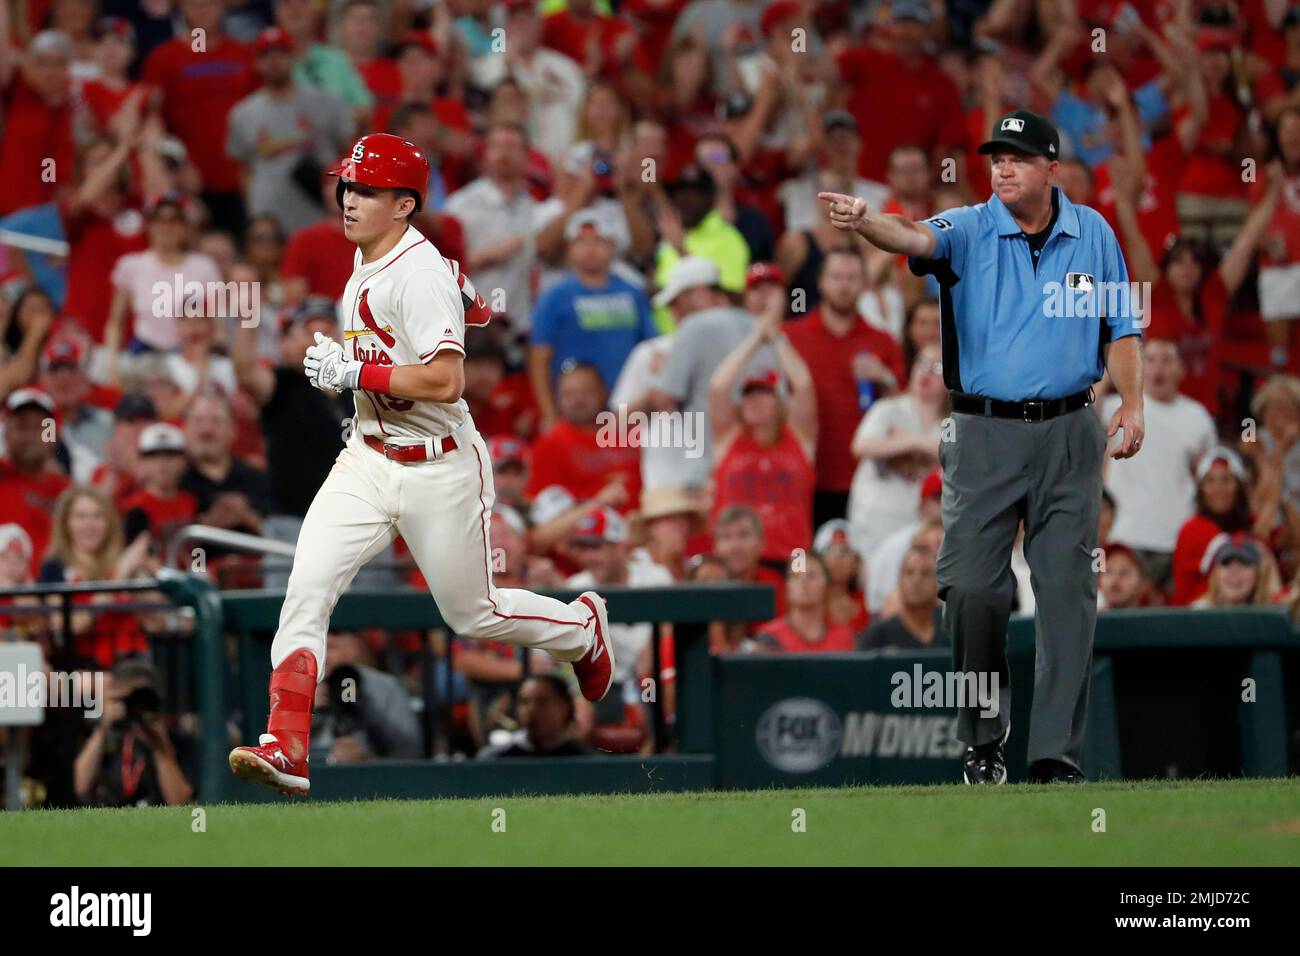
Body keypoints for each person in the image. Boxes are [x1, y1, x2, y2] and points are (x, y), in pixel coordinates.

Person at [228, 133, 615, 797]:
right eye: (347, 185)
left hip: (437, 463)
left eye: (366, 190)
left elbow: (445, 382)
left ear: (403, 204)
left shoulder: (417, 272)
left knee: (472, 615)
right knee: (306, 587)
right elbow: (447, 289)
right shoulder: (382, 255)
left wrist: (353, 368)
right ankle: (287, 743)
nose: (348, 198)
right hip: (368, 455)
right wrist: (467, 293)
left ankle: (581, 628)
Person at [819, 109, 1145, 785]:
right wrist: (865, 218)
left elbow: (1122, 326)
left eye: (1018, 158)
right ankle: (981, 740)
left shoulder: (1095, 234)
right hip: (982, 431)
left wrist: (1133, 402)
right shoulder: (968, 226)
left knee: (1066, 593)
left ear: (1052, 168)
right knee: (971, 589)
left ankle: (1054, 757)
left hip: (1070, 430)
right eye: (996, 157)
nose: (1002, 168)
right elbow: (910, 235)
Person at [1100, 339, 1216, 594]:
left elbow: (1209, 481)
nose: (1158, 368)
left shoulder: (1198, 417)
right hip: (1125, 537)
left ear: (1181, 370)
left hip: (1178, 538)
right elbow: (1080, 416)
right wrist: (1111, 370)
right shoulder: (1113, 408)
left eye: (1166, 360)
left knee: (1176, 626)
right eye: (1150, 360)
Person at [708, 295, 817, 563]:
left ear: (779, 402)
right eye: (748, 395)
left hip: (794, 557)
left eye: (763, 394)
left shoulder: (798, 437)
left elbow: (803, 385)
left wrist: (777, 337)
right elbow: (718, 387)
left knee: (805, 582)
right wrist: (755, 337)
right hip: (735, 558)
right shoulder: (729, 437)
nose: (753, 401)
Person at [847, 344, 948, 558]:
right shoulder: (889, 409)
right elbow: (861, 446)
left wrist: (904, 440)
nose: (926, 371)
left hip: (921, 526)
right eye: (922, 362)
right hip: (875, 520)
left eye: (937, 367)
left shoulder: (951, 424)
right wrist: (920, 443)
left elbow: (959, 458)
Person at [73, 659, 195, 807]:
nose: (132, 707)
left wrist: (161, 749)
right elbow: (80, 787)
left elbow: (180, 803)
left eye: (140, 700)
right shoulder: (97, 737)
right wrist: (102, 730)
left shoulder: (176, 742)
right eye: (123, 700)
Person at [754, 553, 855, 653]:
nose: (803, 582)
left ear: (827, 585)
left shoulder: (843, 636)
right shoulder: (771, 635)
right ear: (787, 586)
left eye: (812, 576)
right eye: (795, 576)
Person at [476, 674, 592, 758]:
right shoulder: (496, 759)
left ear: (564, 706)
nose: (531, 710)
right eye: (524, 702)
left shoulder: (584, 760)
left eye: (542, 702)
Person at [856, 545, 945, 651]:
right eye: (909, 573)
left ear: (938, 582)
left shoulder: (954, 629)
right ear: (899, 581)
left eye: (925, 574)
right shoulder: (877, 636)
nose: (917, 580)